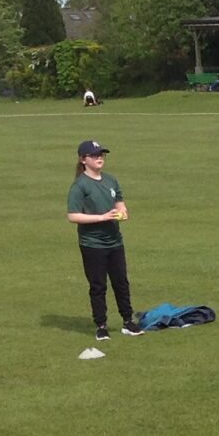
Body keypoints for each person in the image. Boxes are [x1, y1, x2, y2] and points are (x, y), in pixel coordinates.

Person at [66, 138, 140, 341]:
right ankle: (101, 325)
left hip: (115, 241)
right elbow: (73, 216)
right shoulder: (80, 186)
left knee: (121, 282)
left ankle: (128, 321)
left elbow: (120, 204)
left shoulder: (111, 180)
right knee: (98, 285)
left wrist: (122, 213)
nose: (99, 158)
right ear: (83, 160)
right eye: (94, 155)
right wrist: (101, 217)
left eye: (101, 155)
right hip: (92, 244)